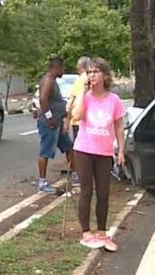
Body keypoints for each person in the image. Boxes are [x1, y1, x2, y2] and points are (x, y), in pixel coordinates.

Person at [68, 58, 126, 252]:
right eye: (89, 72)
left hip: (104, 151)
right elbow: (76, 116)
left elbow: (119, 126)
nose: (92, 75)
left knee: (103, 192)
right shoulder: (85, 96)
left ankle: (102, 232)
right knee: (86, 191)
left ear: (105, 75)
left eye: (96, 72)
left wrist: (121, 150)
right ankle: (86, 232)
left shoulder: (113, 100)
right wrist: (83, 93)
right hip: (84, 149)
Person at [34, 57, 74, 195]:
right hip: (49, 124)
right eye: (62, 68)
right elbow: (43, 99)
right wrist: (49, 118)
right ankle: (42, 183)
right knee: (45, 151)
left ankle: (75, 175)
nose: (63, 71)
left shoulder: (53, 80)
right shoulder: (48, 80)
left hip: (58, 122)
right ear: (56, 68)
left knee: (69, 147)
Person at [64, 56, 91, 187]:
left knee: (79, 149)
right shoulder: (90, 79)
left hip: (78, 120)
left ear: (80, 67)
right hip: (89, 120)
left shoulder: (81, 79)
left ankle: (79, 175)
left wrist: (67, 120)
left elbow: (73, 101)